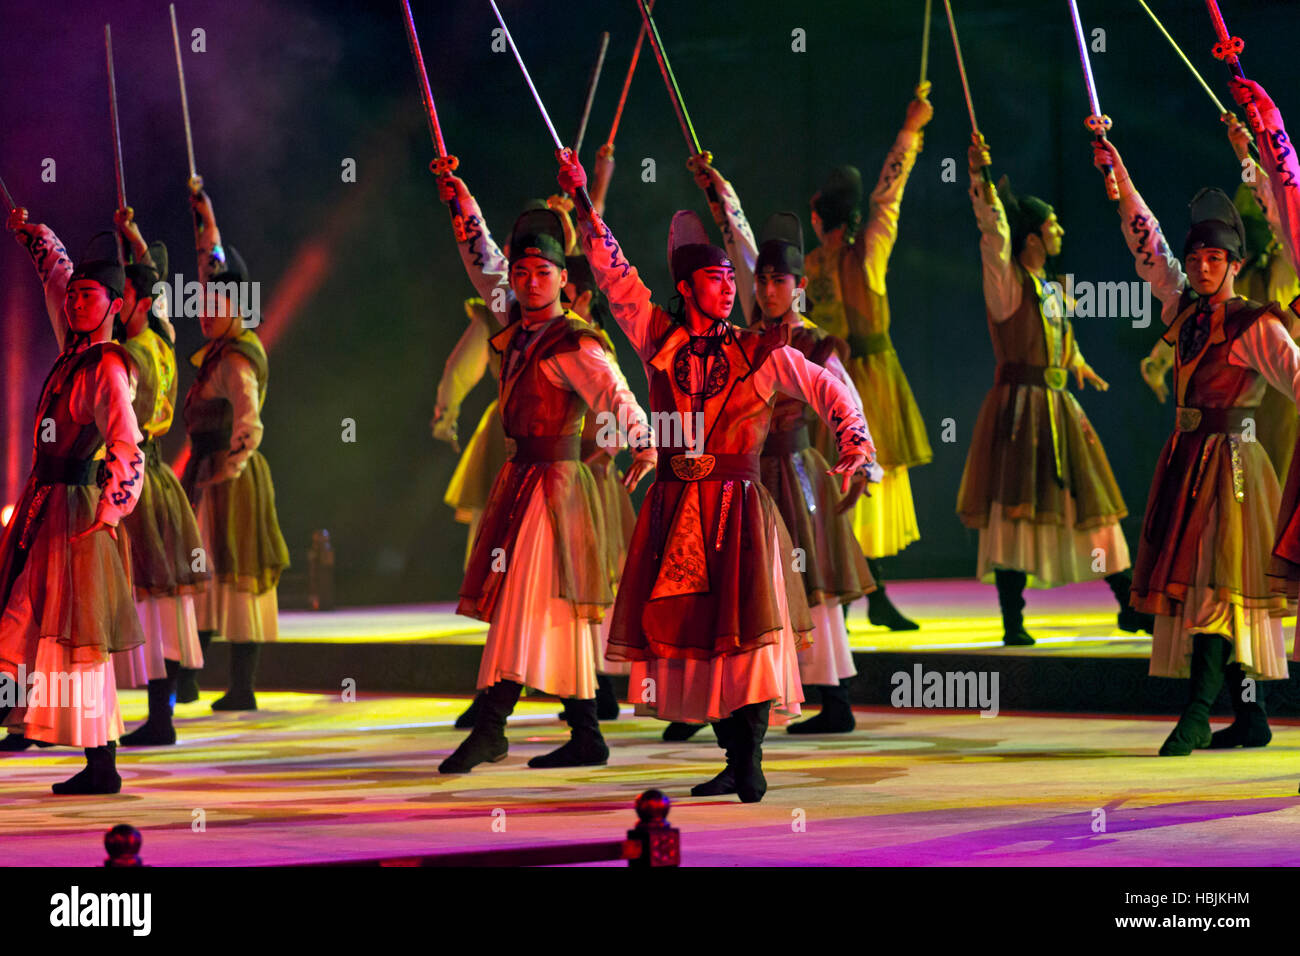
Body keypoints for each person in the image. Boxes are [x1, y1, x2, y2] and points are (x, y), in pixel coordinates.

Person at [560, 152, 875, 801]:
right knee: (703, 638)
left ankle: (751, 755)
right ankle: (736, 755)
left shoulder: (752, 349)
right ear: (685, 288)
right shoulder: (660, 342)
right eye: (714, 277)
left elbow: (818, 384)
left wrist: (853, 437)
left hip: (737, 504)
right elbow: (617, 280)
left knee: (746, 633)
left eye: (733, 277)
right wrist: (587, 207)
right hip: (678, 508)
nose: (730, 286)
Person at [434, 174, 655, 774]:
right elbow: (482, 260)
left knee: (520, 603)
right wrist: (460, 197)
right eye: (522, 273)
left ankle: (492, 726)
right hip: (524, 480)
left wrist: (643, 441)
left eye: (543, 274)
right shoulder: (518, 324)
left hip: (555, 486)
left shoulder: (572, 342)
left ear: (565, 278)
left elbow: (615, 390)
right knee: (551, 610)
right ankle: (585, 730)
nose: (530, 283)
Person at [1094, 135, 1300, 754]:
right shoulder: (1183, 311)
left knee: (1216, 584)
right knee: (1214, 585)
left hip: (1234, 468)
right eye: (1198, 257)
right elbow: (1147, 242)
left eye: (1216, 257)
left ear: (1235, 264)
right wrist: (1116, 164)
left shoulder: (1253, 322)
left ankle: (1197, 708)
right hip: (1186, 462)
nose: (1204, 266)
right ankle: (1252, 714)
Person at [961, 133, 1151, 645]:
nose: (1061, 231)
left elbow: (1059, 338)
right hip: (1020, 412)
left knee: (1091, 504)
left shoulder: (1052, 287)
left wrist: (1077, 364)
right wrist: (981, 177)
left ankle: (1128, 603)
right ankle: (1012, 619)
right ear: (1032, 238)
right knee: (1014, 512)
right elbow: (992, 234)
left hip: (1059, 409)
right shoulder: (1007, 281)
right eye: (1053, 225)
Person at [0, 209, 144, 793]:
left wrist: (110, 512)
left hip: (76, 514)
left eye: (89, 296)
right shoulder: (74, 351)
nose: (75, 302)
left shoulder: (107, 365)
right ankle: (99, 763)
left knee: (70, 640)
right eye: (75, 295)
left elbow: (127, 442)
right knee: (21, 623)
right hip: (43, 504)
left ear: (113, 304)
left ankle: (102, 764)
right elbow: (54, 275)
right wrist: (30, 232)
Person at [802, 88, 934, 631]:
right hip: (855, 384)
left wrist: (911, 132)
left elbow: (885, 203)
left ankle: (867, 591)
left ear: (817, 218)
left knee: (850, 482)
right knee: (857, 483)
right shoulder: (855, 256)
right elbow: (890, 201)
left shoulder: (818, 264)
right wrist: (911, 133)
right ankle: (865, 590)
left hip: (839, 383)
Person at [177, 183, 290, 710]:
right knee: (203, 576)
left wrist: (229, 467)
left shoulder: (237, 359)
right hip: (208, 474)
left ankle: (238, 685)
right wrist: (207, 217)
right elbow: (211, 265)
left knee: (234, 578)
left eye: (212, 304)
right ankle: (188, 677)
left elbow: (252, 421)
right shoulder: (221, 349)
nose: (202, 312)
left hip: (232, 479)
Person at [108, 208, 208, 745]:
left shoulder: (132, 354)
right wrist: (136, 238)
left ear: (137, 304)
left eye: (122, 294)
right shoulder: (164, 337)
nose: (115, 302)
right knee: (160, 600)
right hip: (158, 476)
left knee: (149, 597)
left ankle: (158, 715)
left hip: (136, 475)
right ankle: (159, 713)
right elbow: (157, 292)